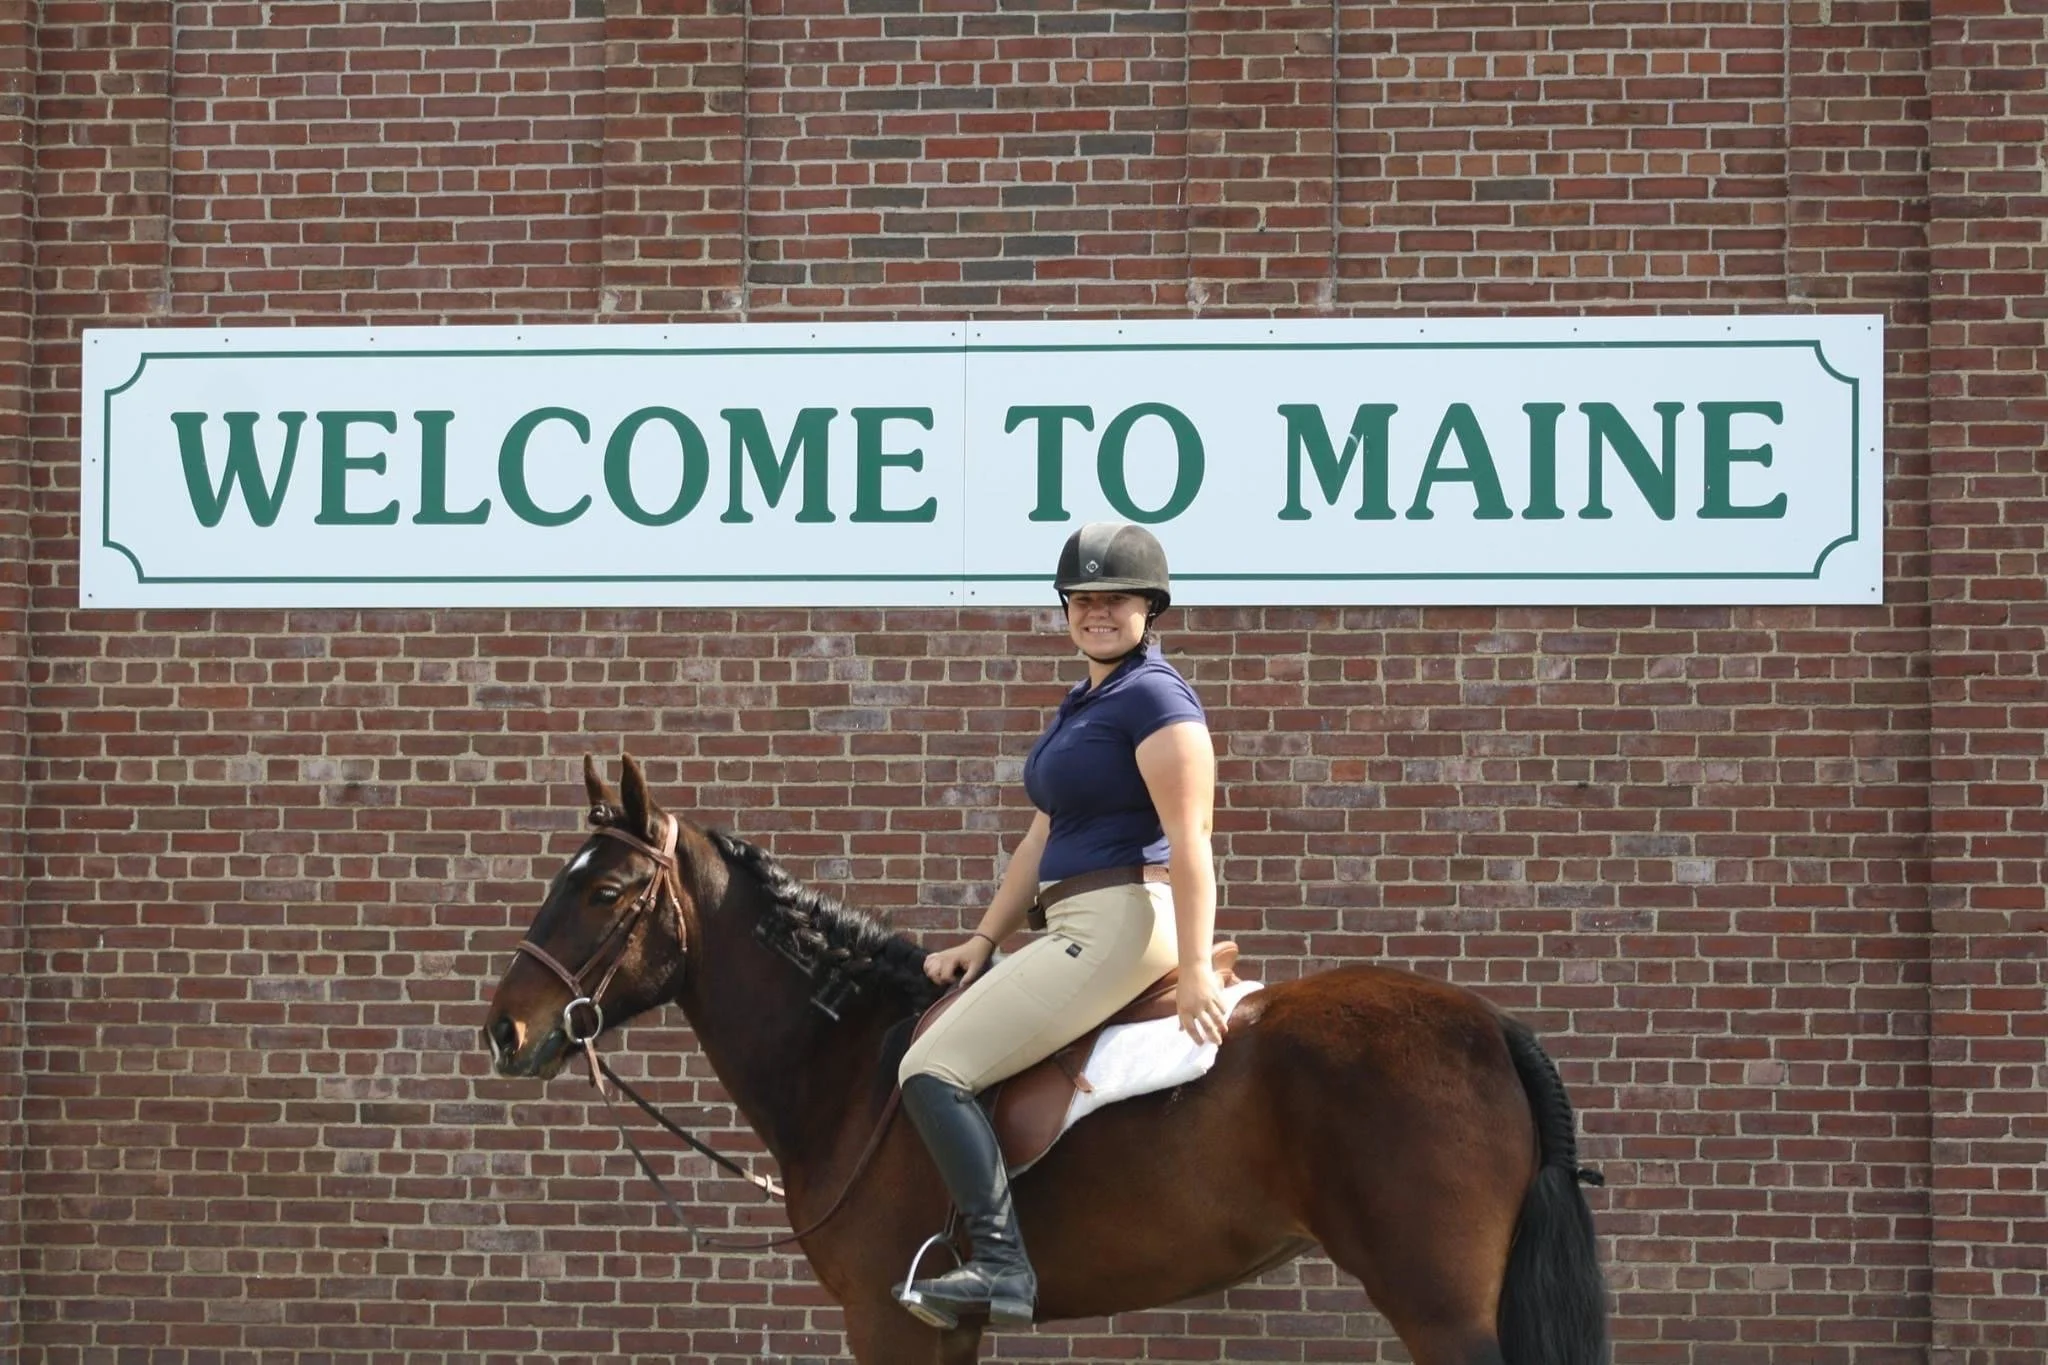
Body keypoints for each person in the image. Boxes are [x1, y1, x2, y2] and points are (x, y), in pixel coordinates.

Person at [892, 521, 1227, 1330]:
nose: (1096, 611)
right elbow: (1042, 833)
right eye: (1081, 597)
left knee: (929, 1068)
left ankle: (1003, 1269)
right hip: (1070, 915)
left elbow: (1193, 841)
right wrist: (983, 936)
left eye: (1114, 598)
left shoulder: (1156, 696)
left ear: (1151, 606)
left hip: (1120, 915)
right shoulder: (1085, 702)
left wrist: (1197, 968)